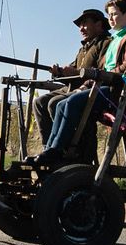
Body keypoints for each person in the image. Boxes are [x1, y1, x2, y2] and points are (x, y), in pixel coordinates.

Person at [30, 0, 126, 166]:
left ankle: (62, 150)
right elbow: (100, 68)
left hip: (117, 90)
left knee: (69, 102)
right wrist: (61, 72)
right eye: (109, 15)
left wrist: (97, 76)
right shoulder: (114, 40)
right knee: (57, 104)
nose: (110, 18)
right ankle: (51, 149)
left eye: (114, 14)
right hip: (101, 85)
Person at [32, 9, 111, 145]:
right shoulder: (84, 48)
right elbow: (72, 70)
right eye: (80, 25)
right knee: (39, 102)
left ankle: (65, 147)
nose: (81, 28)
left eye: (85, 23)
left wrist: (75, 72)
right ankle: (48, 147)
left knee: (54, 103)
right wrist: (59, 72)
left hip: (91, 89)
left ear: (98, 24)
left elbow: (102, 72)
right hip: (73, 88)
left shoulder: (106, 43)